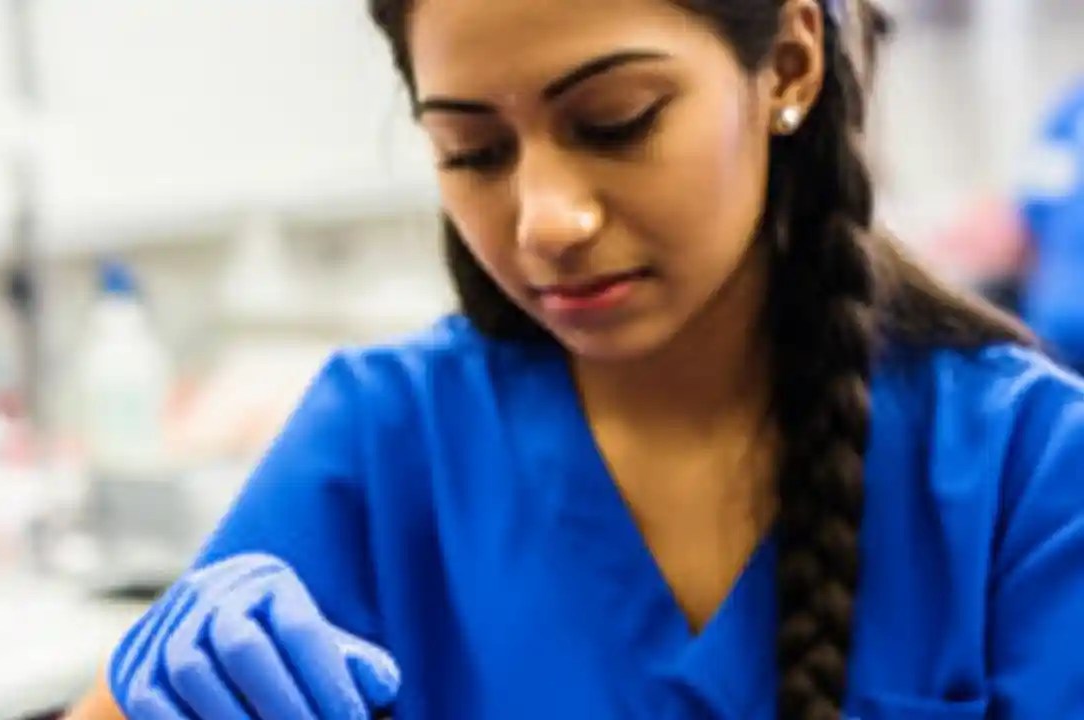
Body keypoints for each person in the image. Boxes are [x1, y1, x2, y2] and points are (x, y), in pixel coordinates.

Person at [68, 0, 1084, 718]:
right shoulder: (382, 445)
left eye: (614, 123)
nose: (546, 222)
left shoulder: (1025, 470)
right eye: (474, 152)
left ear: (785, 66)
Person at [1018, 78, 1084, 373]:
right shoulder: (1071, 109)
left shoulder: (1072, 108)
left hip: (1053, 333)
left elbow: (1028, 222)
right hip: (1057, 337)